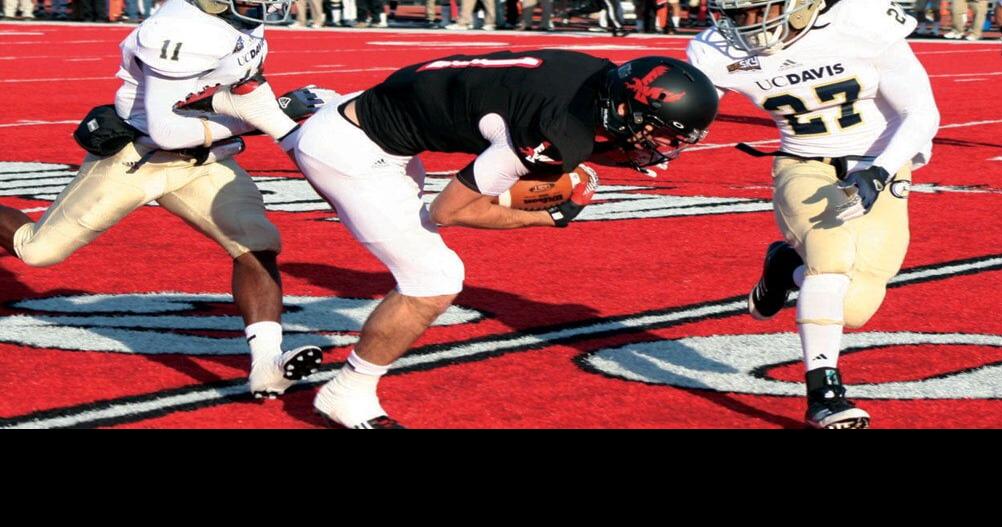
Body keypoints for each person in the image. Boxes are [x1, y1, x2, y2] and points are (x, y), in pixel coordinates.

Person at [243, 50, 716, 428]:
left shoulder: (596, 74)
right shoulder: (554, 129)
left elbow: (549, 123)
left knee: (507, 179)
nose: (660, 146)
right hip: (351, 151)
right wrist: (551, 214)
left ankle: (285, 112)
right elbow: (449, 211)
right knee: (434, 279)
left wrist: (570, 167)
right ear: (622, 109)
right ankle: (348, 394)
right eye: (655, 132)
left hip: (384, 113)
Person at [0, 0, 333, 399]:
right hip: (141, 157)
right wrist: (265, 117)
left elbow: (236, 92)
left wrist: (271, 115)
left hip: (204, 160)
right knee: (38, 251)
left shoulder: (240, 22)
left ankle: (266, 364)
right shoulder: (181, 29)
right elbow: (167, 132)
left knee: (256, 244)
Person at [689, 0, 940, 429]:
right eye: (735, 13)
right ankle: (825, 394)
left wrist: (879, 172)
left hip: (881, 163)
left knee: (855, 308)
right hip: (803, 164)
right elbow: (690, 109)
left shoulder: (862, 20)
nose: (744, 25)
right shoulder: (714, 48)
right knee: (831, 259)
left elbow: (920, 113)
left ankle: (786, 268)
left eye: (755, 10)